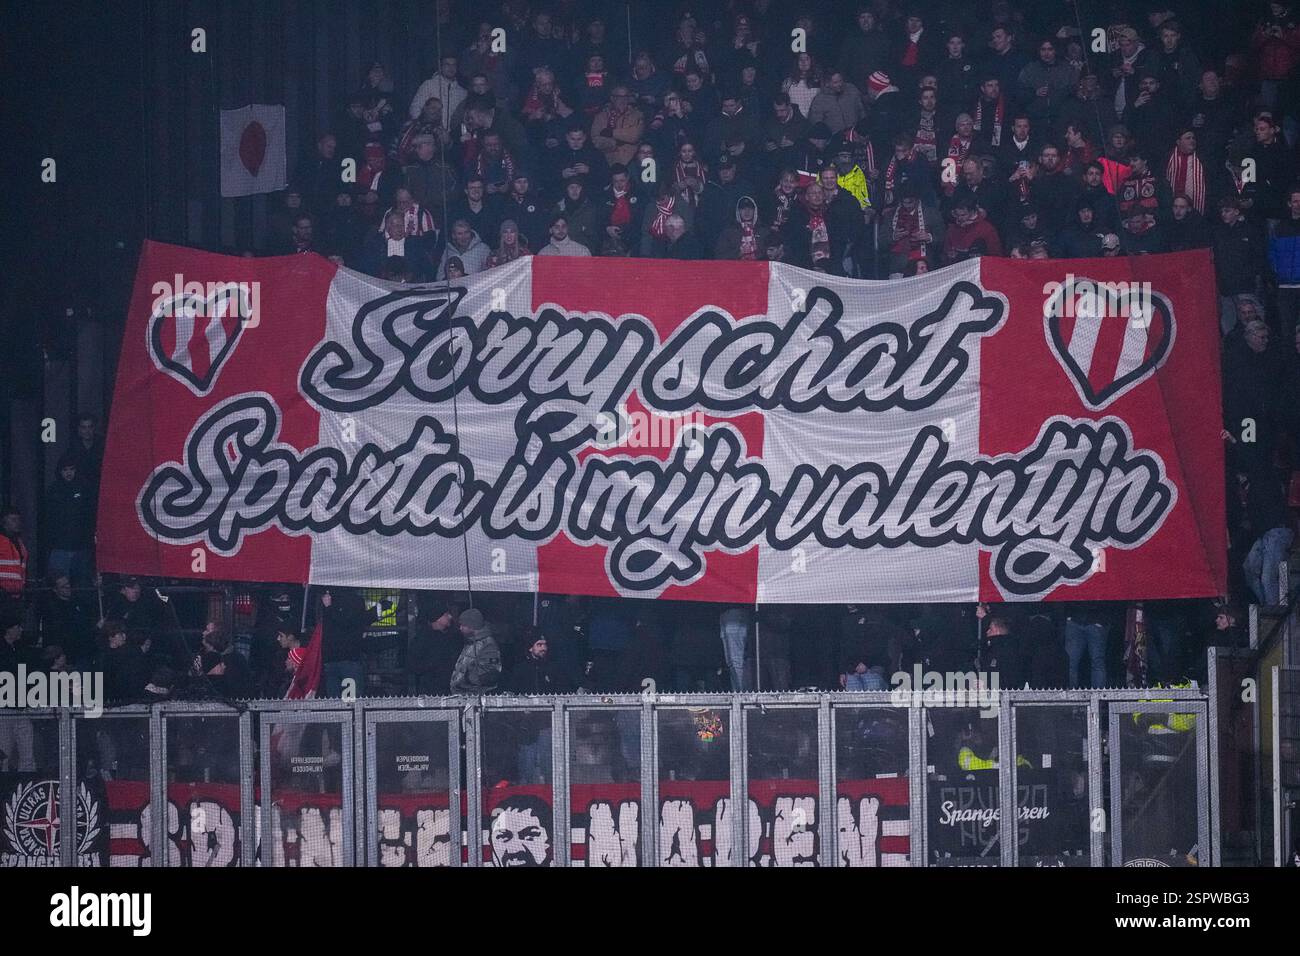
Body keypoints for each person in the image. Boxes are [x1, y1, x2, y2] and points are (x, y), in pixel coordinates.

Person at [449, 607, 501, 694]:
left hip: (475, 697)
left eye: (463, 625)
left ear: (472, 626)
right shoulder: (471, 642)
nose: (460, 628)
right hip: (464, 695)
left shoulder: (488, 645)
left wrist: (466, 678)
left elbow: (490, 672)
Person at [0, 506, 29, 599]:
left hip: (17, 596)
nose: (17, 523)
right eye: (13, 520)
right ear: (4, 523)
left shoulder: (20, 544)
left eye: (18, 520)